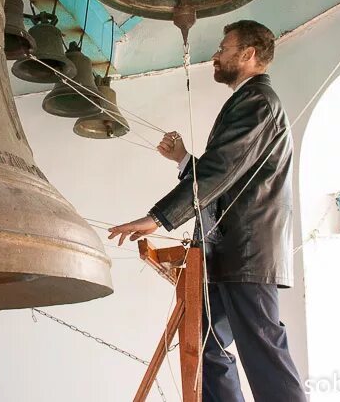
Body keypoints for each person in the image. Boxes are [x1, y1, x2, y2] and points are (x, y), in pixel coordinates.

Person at [108, 20, 306, 402]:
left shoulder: (257, 102)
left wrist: (159, 218)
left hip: (247, 252)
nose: (215, 55)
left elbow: (221, 170)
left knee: (263, 352)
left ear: (247, 55)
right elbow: (229, 175)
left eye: (223, 48)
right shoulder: (250, 102)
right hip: (230, 253)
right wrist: (183, 159)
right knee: (202, 342)